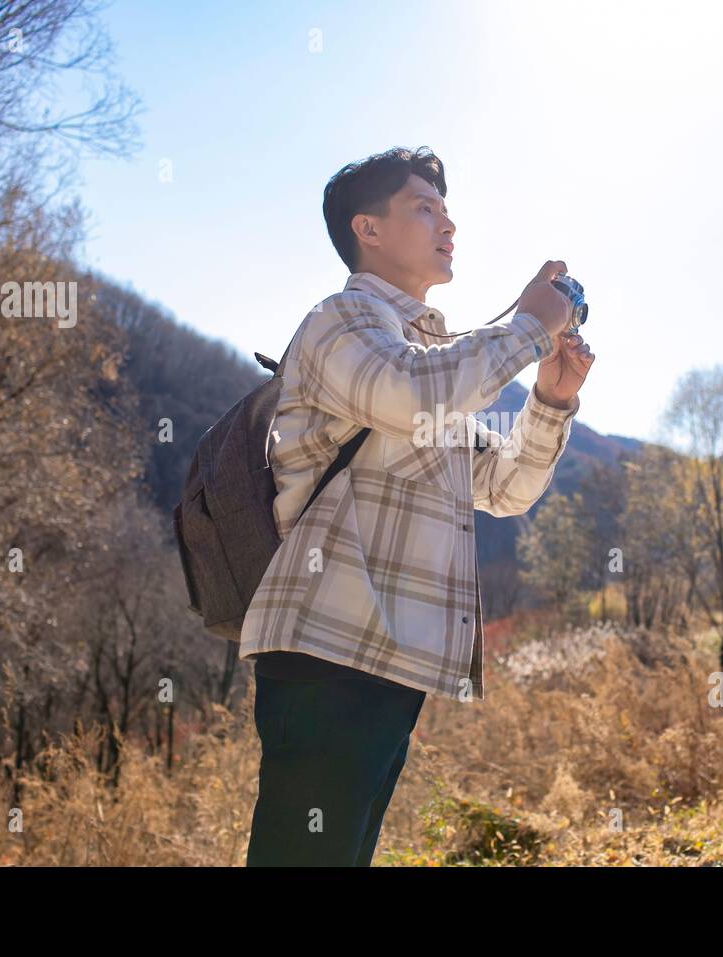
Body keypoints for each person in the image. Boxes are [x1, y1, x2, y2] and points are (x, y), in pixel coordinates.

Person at [241, 146, 595, 866]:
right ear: (366, 229)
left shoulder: (430, 355)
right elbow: (412, 392)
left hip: (388, 658)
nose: (448, 223)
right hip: (328, 647)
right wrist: (529, 325)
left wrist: (552, 400)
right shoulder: (341, 320)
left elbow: (503, 486)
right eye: (423, 207)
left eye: (446, 207)